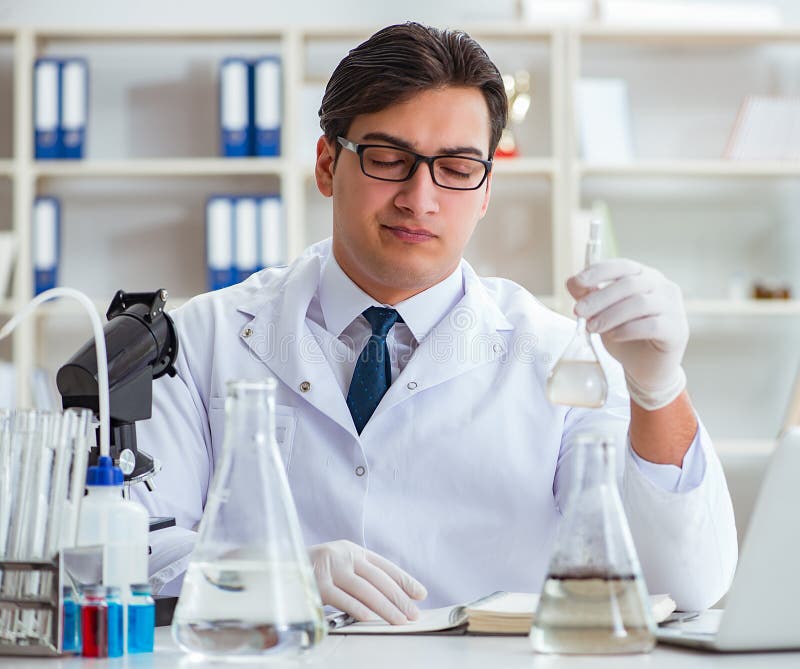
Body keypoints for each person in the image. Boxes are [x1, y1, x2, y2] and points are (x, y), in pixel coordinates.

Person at [135, 22, 737, 625]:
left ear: (485, 190)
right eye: (388, 159)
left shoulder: (559, 356)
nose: (419, 198)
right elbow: (133, 545)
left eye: (456, 168)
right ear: (326, 164)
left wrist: (658, 389)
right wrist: (273, 574)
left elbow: (685, 584)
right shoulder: (201, 339)